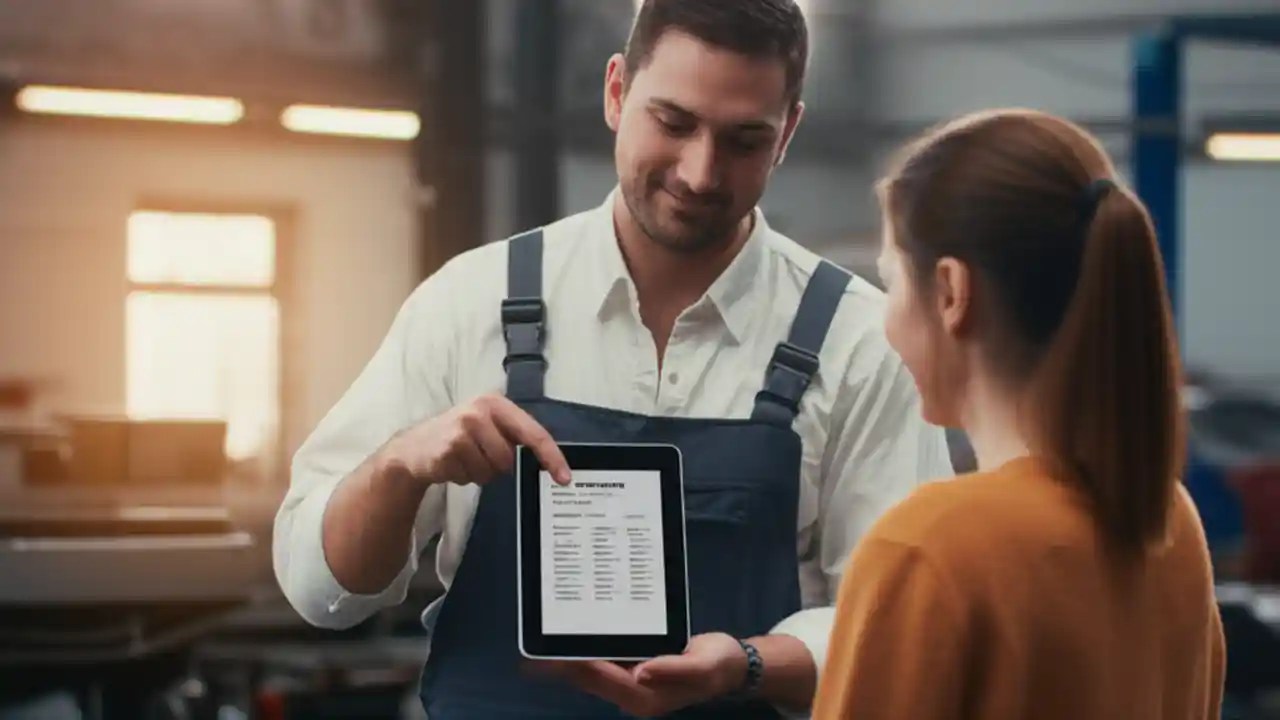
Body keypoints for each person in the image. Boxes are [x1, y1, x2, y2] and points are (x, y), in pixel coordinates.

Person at [273, 1, 952, 718]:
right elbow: (322, 590)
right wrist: (399, 467)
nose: (700, 172)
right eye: (675, 122)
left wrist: (750, 664)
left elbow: (905, 630)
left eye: (744, 140)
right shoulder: (468, 303)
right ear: (616, 91)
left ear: (787, 133)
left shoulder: (860, 343)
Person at [810, 108, 1226, 719]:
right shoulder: (1168, 522)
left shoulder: (929, 548)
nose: (887, 318)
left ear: (952, 293)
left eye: (891, 281)